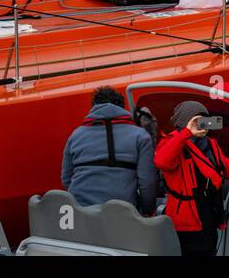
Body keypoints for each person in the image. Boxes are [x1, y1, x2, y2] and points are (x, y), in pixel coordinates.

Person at [153, 101, 229, 256]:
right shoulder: (172, 142)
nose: (204, 125)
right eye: (198, 121)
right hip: (186, 223)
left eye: (206, 120)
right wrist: (187, 133)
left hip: (209, 216)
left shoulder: (211, 144)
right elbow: (162, 161)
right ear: (186, 122)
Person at [61, 86, 157, 215]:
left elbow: (66, 179)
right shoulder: (140, 136)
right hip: (122, 213)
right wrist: (147, 210)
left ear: (94, 107)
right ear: (123, 107)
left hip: (80, 212)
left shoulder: (76, 135)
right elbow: (147, 182)